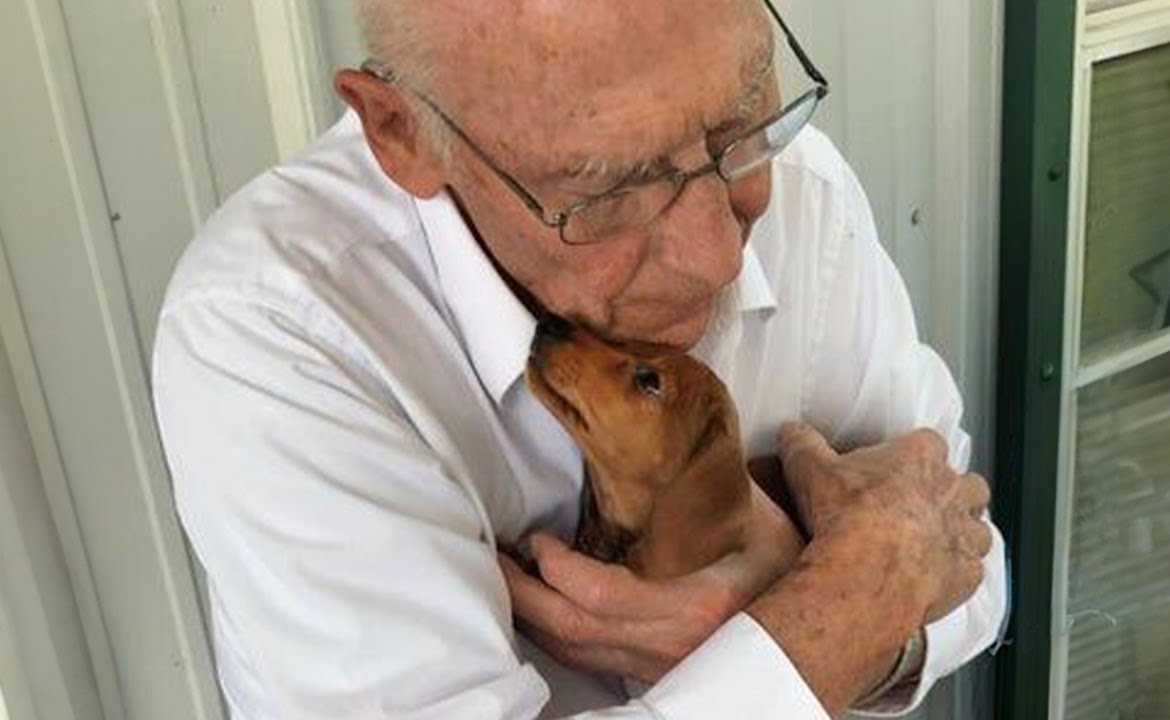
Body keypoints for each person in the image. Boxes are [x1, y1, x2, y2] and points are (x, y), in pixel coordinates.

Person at [151, 0, 1008, 718]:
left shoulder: (803, 186)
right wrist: (838, 614)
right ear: (400, 132)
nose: (718, 255)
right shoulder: (277, 331)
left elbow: (970, 559)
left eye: (739, 118)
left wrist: (868, 622)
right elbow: (905, 571)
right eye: (610, 191)